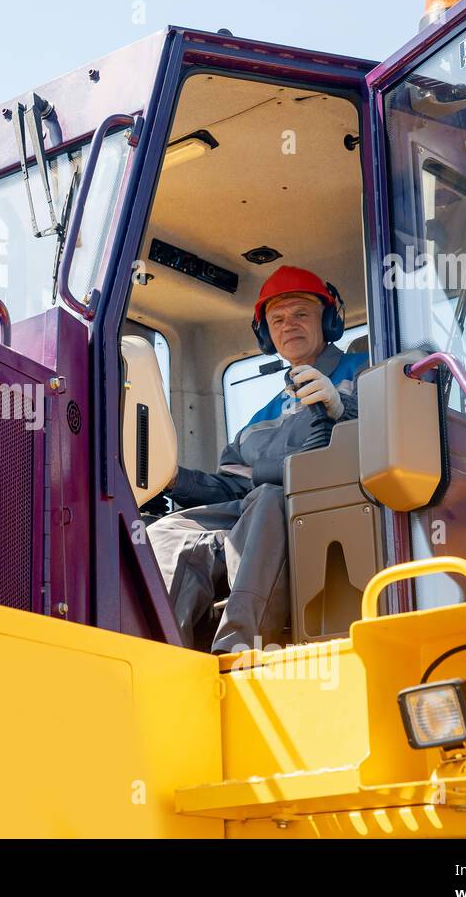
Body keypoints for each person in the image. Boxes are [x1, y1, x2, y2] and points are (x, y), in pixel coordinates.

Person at [146, 265, 368, 654]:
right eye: (277, 319)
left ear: (329, 320)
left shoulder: (365, 371)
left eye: (301, 313)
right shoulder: (258, 420)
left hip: (329, 509)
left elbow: (390, 433)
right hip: (251, 510)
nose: (289, 325)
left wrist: (342, 407)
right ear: (266, 334)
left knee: (267, 499)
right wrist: (171, 479)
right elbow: (232, 485)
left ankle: (239, 648)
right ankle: (162, 654)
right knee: (164, 531)